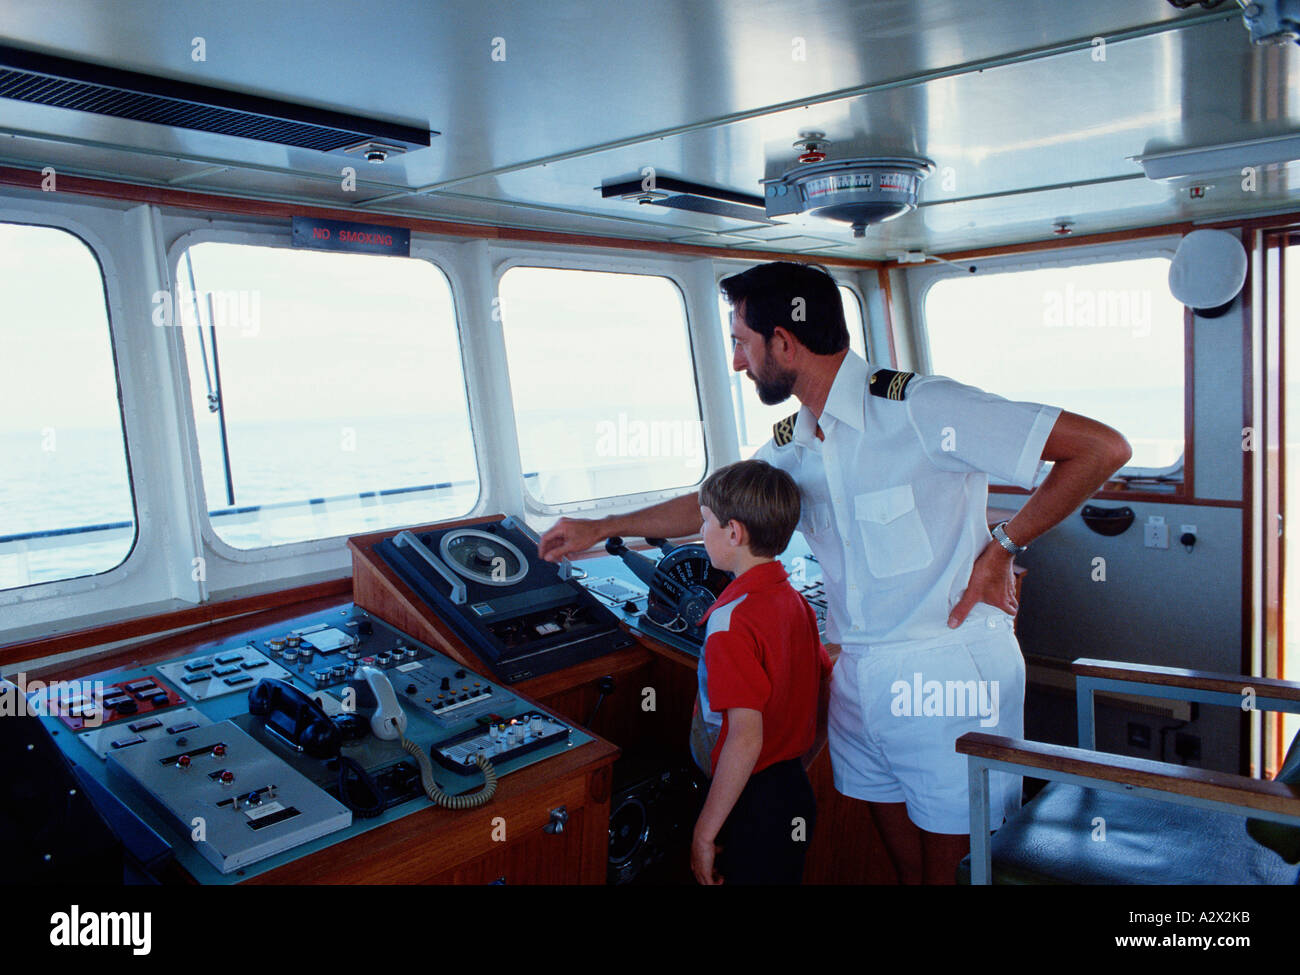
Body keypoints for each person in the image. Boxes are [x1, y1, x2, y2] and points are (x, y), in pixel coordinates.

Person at [539, 261, 1131, 885]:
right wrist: (601, 527)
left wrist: (1003, 546)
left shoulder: (925, 408)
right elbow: (713, 503)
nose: (738, 362)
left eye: (741, 342)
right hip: (857, 676)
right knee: (909, 874)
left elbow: (1100, 448)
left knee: (958, 877)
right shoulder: (794, 443)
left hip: (948, 672)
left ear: (784, 342)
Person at [687, 459, 831, 885]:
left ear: (734, 532)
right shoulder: (796, 602)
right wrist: (794, 766)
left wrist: (704, 833)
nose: (701, 532)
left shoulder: (730, 621)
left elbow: (745, 738)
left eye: (705, 521)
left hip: (749, 805)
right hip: (791, 794)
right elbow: (824, 695)